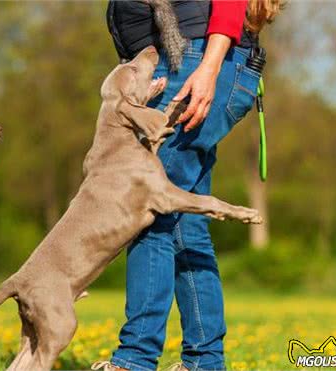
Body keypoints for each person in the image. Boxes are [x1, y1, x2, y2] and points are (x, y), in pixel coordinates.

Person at [93, 1, 281, 371]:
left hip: (196, 62)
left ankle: (135, 359)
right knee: (185, 228)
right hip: (193, 60)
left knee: (149, 214)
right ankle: (204, 361)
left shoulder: (201, 60)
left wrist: (209, 69)